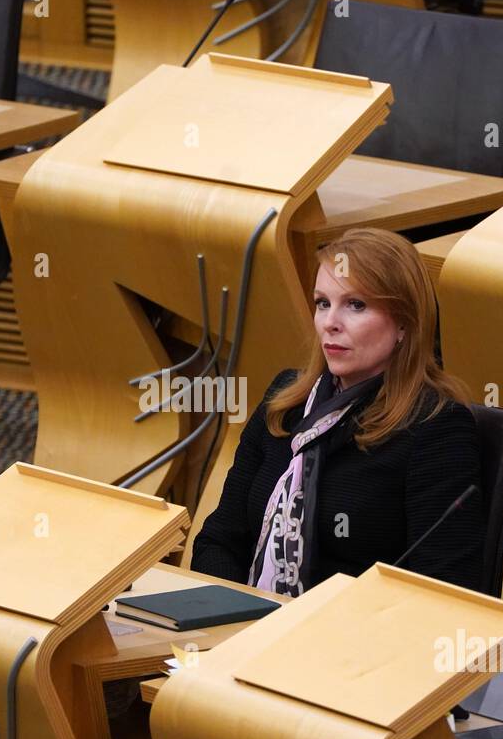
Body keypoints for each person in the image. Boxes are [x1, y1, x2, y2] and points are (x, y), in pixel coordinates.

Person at [192, 227, 484, 596]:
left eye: (356, 304)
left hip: (357, 643)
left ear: (405, 323)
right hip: (252, 631)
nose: (330, 322)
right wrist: (242, 619)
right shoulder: (286, 401)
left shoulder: (436, 428)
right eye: (322, 303)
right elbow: (217, 541)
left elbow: (444, 592)